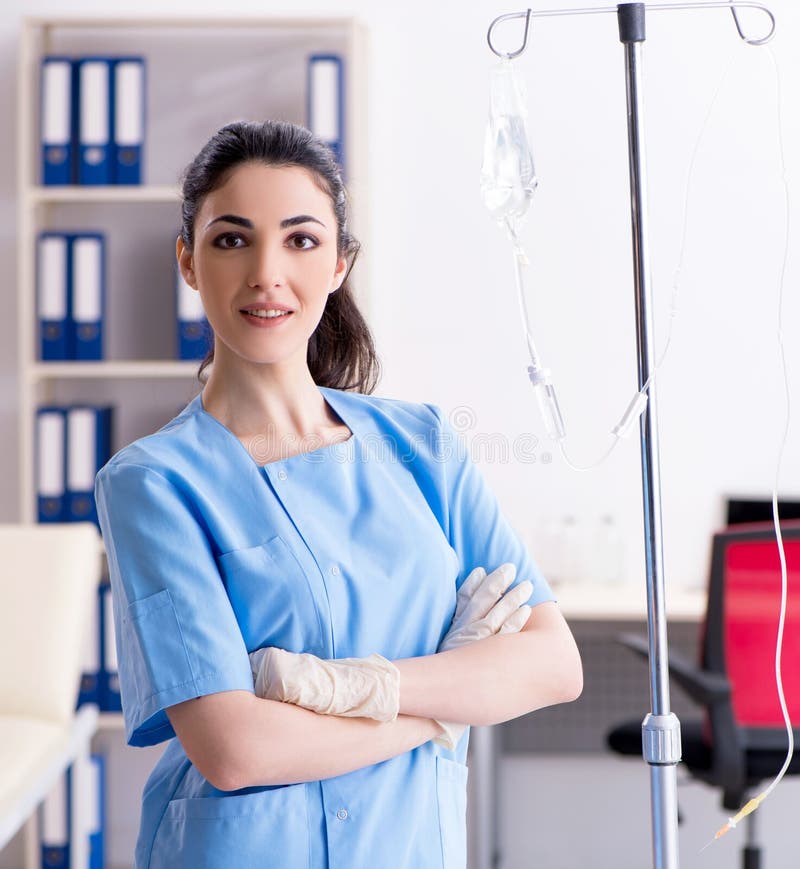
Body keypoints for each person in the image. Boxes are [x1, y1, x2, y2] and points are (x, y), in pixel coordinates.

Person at [94, 119, 583, 869]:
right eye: (232, 239)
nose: (266, 273)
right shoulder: (153, 483)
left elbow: (552, 664)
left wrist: (346, 686)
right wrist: (444, 706)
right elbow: (234, 747)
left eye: (300, 239)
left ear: (339, 263)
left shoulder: (422, 444)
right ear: (189, 261)